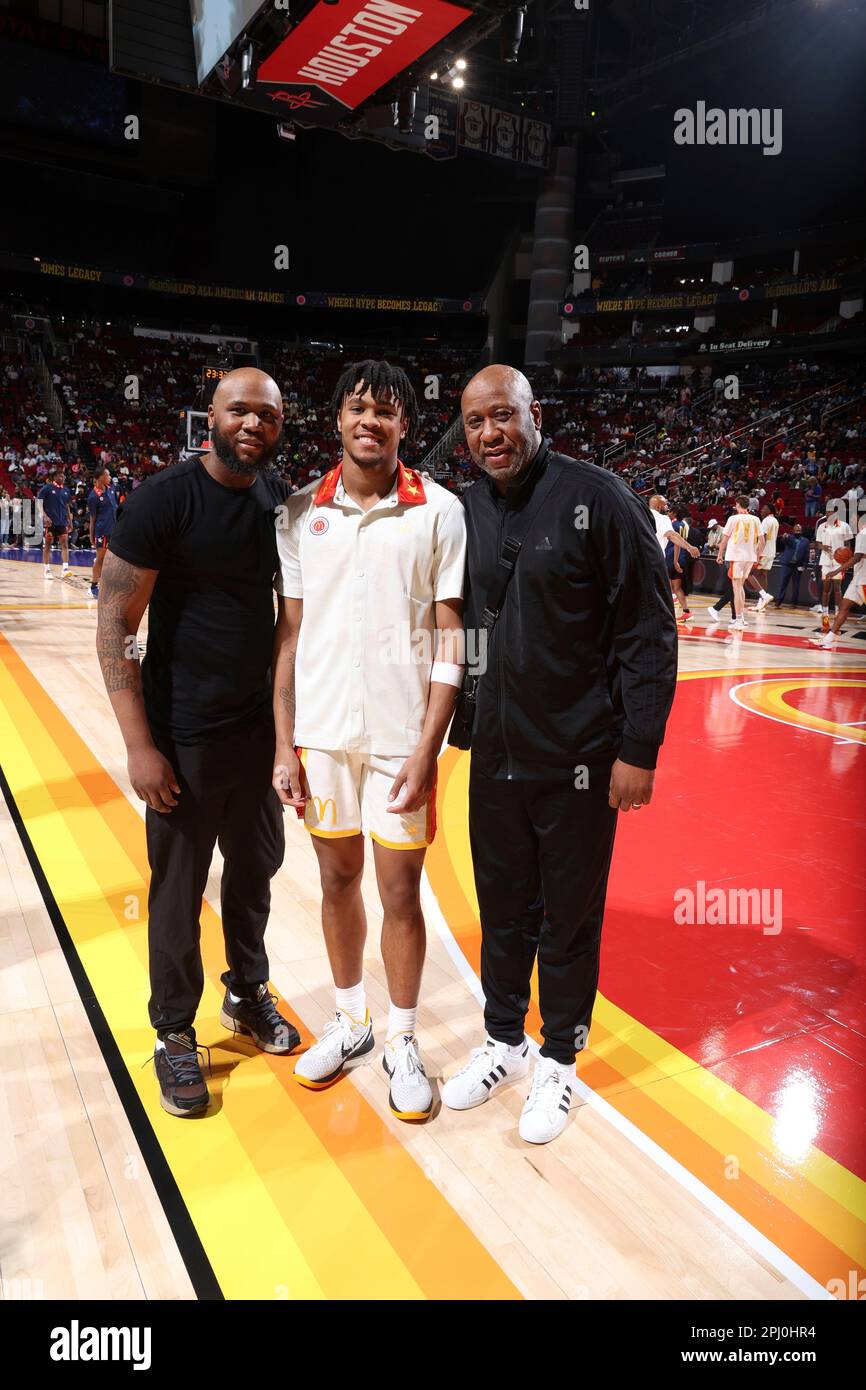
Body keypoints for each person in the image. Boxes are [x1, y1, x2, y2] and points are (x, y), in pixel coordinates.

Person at [441, 366, 677, 1145]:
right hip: (496, 757)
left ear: (535, 415)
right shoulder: (468, 507)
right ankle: (503, 1041)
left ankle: (561, 1060)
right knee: (503, 911)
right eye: (475, 424)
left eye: (502, 417)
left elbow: (647, 628)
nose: (489, 436)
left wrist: (638, 747)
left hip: (579, 758)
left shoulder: (601, 499)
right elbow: (467, 623)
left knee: (568, 920)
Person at [96, 368, 301, 1119]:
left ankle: (246, 993)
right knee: (179, 893)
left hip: (255, 737)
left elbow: (290, 623)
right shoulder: (163, 499)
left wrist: (288, 738)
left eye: (269, 415)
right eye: (239, 409)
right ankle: (174, 1032)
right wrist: (139, 745)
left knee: (255, 874)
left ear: (281, 425)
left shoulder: (279, 504)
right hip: (181, 738)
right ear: (208, 416)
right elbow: (115, 622)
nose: (253, 423)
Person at [272, 361, 466, 1122]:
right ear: (338, 419)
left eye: (386, 411)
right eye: (358, 407)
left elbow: (454, 635)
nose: (371, 421)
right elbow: (288, 637)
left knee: (399, 894)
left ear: (405, 427)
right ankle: (351, 1022)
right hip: (321, 739)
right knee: (335, 883)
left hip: (399, 739)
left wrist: (428, 748)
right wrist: (284, 745)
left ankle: (404, 1039)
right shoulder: (297, 513)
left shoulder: (439, 510)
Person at [810, 517, 866, 650]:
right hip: (859, 577)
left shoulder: (863, 534)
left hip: (864, 577)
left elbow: (857, 558)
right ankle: (830, 638)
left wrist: (837, 570)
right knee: (844, 606)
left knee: (843, 604)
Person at [710, 497, 762, 630]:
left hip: (736, 557)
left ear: (737, 505)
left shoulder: (733, 519)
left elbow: (724, 539)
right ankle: (741, 618)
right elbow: (762, 541)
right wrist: (757, 556)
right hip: (749, 557)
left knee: (737, 589)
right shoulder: (756, 519)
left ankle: (738, 620)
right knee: (740, 587)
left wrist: (720, 554)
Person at [814, 506, 853, 628]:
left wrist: (846, 558)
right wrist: (823, 547)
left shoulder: (844, 526)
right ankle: (825, 618)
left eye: (830, 511)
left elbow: (848, 544)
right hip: (825, 561)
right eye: (826, 511)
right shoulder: (822, 526)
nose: (827, 513)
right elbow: (818, 543)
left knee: (837, 588)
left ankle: (837, 616)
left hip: (838, 562)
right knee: (825, 588)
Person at [87, 467, 118, 598]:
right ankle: (93, 586)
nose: (110, 477)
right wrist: (91, 536)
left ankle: (106, 585)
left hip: (114, 530)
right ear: (101, 477)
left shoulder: (111, 489)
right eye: (108, 475)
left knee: (110, 559)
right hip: (102, 531)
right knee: (100, 558)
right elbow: (92, 519)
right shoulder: (93, 496)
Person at [38, 468, 72, 579]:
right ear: (55, 477)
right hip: (50, 522)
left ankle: (65, 568)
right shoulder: (47, 488)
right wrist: (44, 516)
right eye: (60, 476)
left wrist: (70, 520)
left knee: (65, 544)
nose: (63, 478)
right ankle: (46, 569)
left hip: (62, 522)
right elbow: (39, 503)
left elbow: (67, 506)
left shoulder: (66, 490)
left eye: (64, 476)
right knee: (48, 545)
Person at [745, 502, 779, 612]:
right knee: (763, 575)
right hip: (771, 551)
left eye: (764, 508)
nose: (761, 510)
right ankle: (761, 603)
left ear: (769, 510)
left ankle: (764, 595)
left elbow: (762, 539)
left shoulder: (766, 521)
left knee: (748, 573)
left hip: (763, 552)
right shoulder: (775, 521)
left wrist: (757, 553)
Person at [774, 525, 810, 607]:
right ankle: (779, 601)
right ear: (793, 530)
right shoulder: (789, 537)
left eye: (799, 530)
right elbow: (784, 542)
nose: (798, 531)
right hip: (787, 564)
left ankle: (794, 603)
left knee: (796, 584)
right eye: (796, 529)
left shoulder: (806, 541)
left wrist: (805, 565)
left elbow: (806, 554)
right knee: (783, 583)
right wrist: (784, 537)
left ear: (802, 531)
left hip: (798, 565)